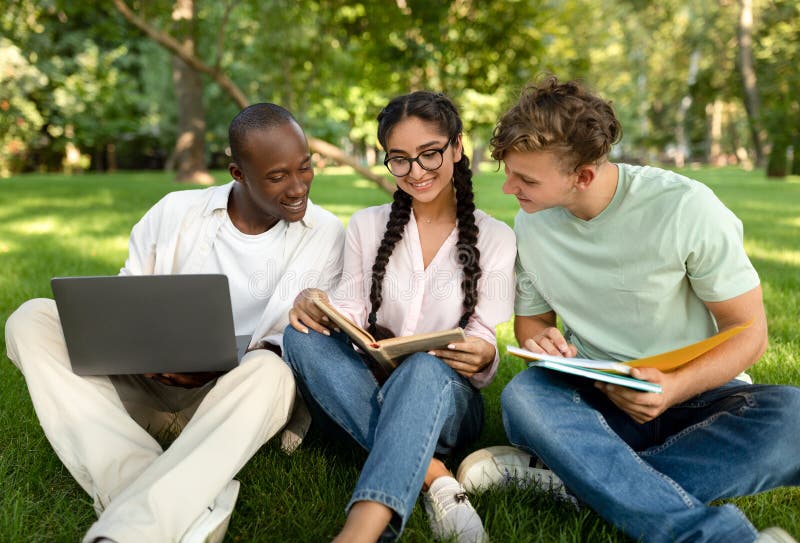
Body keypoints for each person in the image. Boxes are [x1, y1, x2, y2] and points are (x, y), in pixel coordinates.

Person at [456, 77, 800, 543]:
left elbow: (750, 332)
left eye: (526, 179)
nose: (509, 188)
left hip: (699, 394)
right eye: (510, 172)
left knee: (793, 419)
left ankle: (574, 482)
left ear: (583, 176)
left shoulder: (686, 208)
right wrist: (539, 340)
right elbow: (534, 321)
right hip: (599, 393)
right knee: (524, 398)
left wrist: (674, 386)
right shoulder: (532, 220)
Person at [4, 103, 345, 543]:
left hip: (234, 403)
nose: (298, 187)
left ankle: (131, 526)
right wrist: (138, 352)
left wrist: (221, 366)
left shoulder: (325, 233)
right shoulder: (175, 212)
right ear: (237, 173)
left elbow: (300, 345)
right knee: (31, 318)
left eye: (305, 168)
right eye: (278, 177)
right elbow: (126, 305)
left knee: (273, 371)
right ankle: (177, 495)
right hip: (146, 390)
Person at [283, 91, 516, 543]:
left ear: (456, 146)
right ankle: (433, 475)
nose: (417, 172)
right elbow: (350, 309)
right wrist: (319, 305)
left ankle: (361, 531)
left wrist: (482, 353)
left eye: (430, 154)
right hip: (369, 384)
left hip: (446, 402)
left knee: (424, 366)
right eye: (401, 159)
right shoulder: (368, 226)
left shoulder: (496, 237)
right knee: (300, 339)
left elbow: (485, 335)